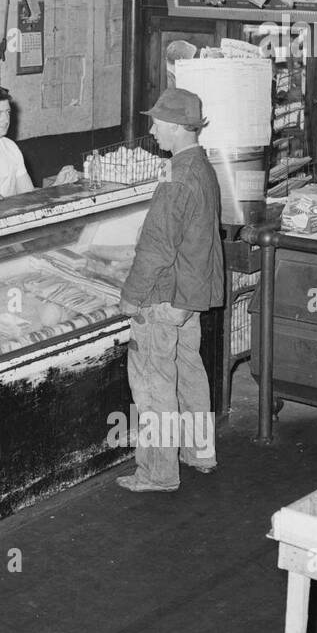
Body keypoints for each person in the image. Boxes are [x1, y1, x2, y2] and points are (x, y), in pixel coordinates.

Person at [116, 87, 224, 492]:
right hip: (189, 296)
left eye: (158, 122)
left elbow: (156, 248)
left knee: (153, 383)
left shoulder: (177, 176)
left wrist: (131, 296)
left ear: (179, 128)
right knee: (189, 372)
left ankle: (158, 473)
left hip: (163, 297)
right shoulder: (202, 167)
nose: (152, 128)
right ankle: (199, 452)